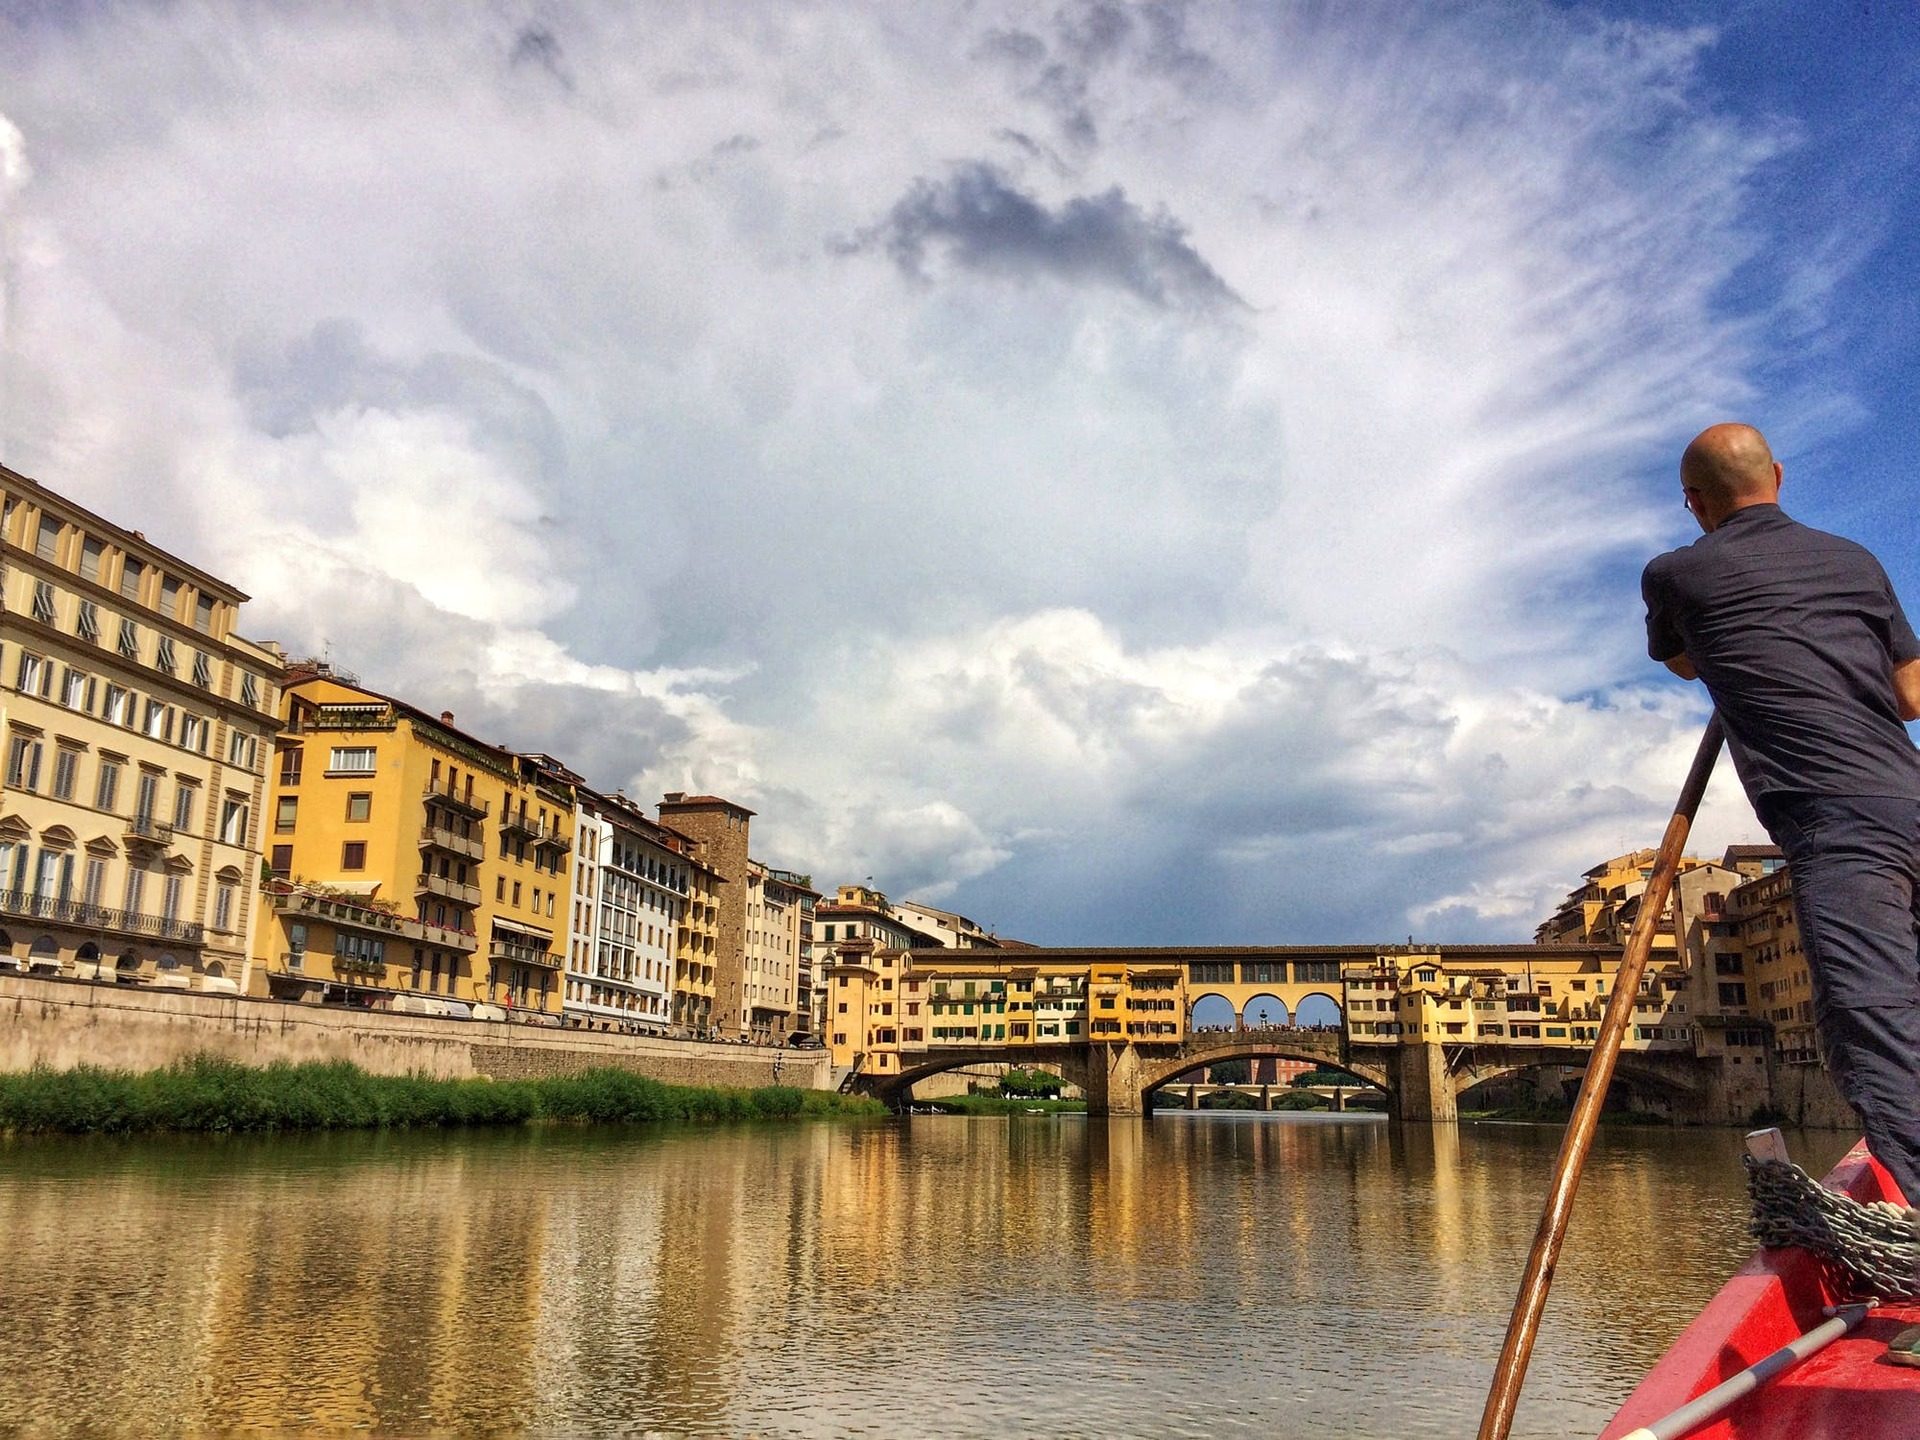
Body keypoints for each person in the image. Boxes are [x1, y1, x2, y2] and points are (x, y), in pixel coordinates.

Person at [1642, 422, 1920, 1208]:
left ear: (1694, 503)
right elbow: (1911, 696)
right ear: (1781, 477)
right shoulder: (1855, 561)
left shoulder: (1675, 575)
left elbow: (1687, 661)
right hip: (1909, 793)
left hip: (1837, 827)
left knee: (1876, 1031)